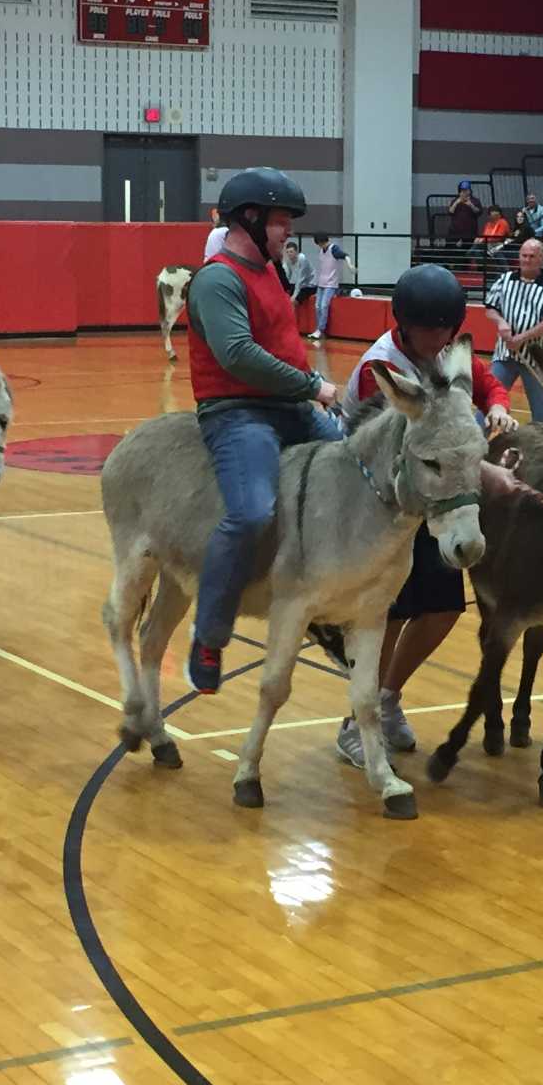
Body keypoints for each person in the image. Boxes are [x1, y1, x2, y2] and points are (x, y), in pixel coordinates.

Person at [332, 263, 520, 767]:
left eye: (448, 331)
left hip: (429, 500)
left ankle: (387, 698)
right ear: (404, 325)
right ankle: (356, 723)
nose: (442, 342)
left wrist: (498, 405)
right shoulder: (381, 369)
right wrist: (486, 474)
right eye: (432, 332)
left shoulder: (446, 353)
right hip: (378, 500)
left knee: (441, 608)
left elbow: (485, 381)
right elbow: (415, 449)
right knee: (387, 613)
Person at [182, 167, 345, 695]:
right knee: (252, 512)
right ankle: (209, 634)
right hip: (238, 412)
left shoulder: (269, 273)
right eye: (280, 223)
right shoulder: (216, 279)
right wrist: (311, 385)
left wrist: (303, 392)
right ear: (249, 220)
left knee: (360, 474)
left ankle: (328, 604)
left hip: (288, 406)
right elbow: (237, 355)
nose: (287, 233)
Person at [485, 236, 543, 423]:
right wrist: (501, 322)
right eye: (523, 255)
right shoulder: (506, 279)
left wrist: (522, 337)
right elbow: (490, 307)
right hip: (505, 355)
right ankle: (475, 443)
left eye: (532, 256)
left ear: (542, 259)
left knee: (542, 410)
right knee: (488, 401)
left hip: (536, 358)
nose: (526, 260)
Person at [307, 230, 348, 341]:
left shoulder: (334, 249)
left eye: (322, 243)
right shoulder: (321, 251)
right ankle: (318, 329)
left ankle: (320, 329)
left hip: (331, 284)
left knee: (324, 305)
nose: (322, 246)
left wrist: (350, 265)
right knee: (317, 306)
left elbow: (345, 256)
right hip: (321, 282)